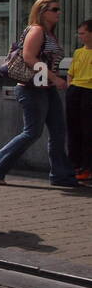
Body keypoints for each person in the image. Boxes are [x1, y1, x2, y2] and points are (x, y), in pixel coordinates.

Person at [0, 0, 80, 187]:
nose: (58, 12)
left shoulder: (50, 33)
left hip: (46, 88)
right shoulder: (36, 30)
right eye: (54, 9)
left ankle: (61, 175)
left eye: (59, 9)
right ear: (42, 12)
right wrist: (54, 78)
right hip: (31, 89)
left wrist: (52, 81)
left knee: (58, 131)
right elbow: (29, 57)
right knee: (32, 132)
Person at [68, 18, 92, 182]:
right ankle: (75, 165)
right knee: (73, 129)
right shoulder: (78, 52)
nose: (80, 36)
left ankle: (87, 167)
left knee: (88, 131)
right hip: (76, 91)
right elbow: (71, 72)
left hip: (90, 92)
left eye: (83, 33)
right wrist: (70, 86)